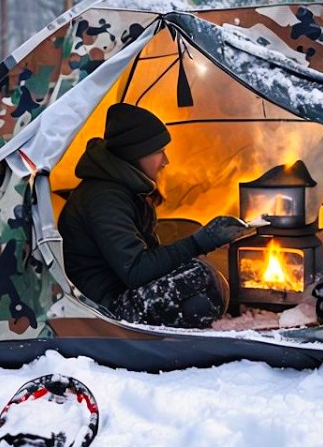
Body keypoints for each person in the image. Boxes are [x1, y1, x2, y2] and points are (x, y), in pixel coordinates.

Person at [58, 103, 250, 328]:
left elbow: (147, 260)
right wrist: (199, 241)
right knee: (198, 277)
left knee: (199, 274)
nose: (166, 161)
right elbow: (136, 270)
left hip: (120, 295)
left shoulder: (125, 192)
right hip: (103, 311)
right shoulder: (104, 199)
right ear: (136, 154)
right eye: (159, 151)